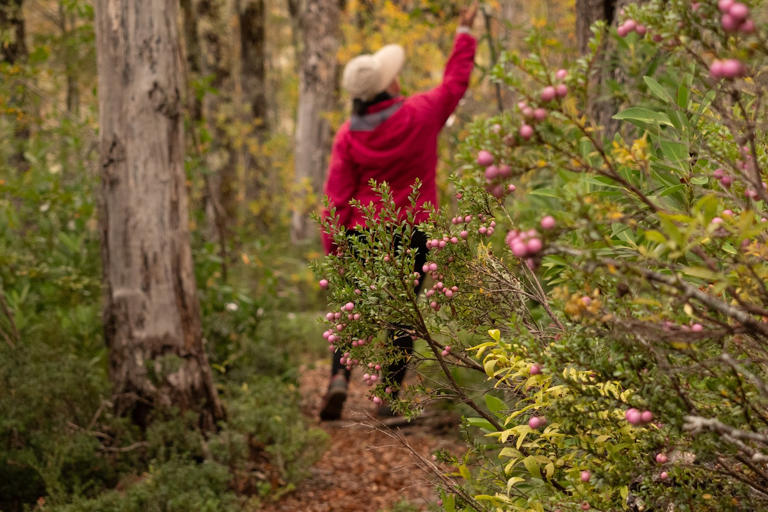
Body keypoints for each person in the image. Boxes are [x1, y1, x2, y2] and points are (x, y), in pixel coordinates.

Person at [319, 3, 478, 421]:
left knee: (354, 304)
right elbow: (455, 83)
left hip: (360, 232)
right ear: (391, 84)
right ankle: (388, 399)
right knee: (402, 316)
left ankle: (339, 377)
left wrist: (334, 248)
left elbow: (336, 197)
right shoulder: (421, 114)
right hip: (411, 231)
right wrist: (464, 34)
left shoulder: (347, 135)